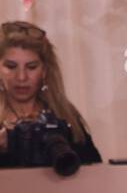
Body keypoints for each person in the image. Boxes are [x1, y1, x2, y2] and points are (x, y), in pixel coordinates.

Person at [0, 20, 100, 166]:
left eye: (31, 67)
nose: (21, 77)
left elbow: (94, 175)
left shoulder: (64, 116)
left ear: (45, 71)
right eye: (11, 66)